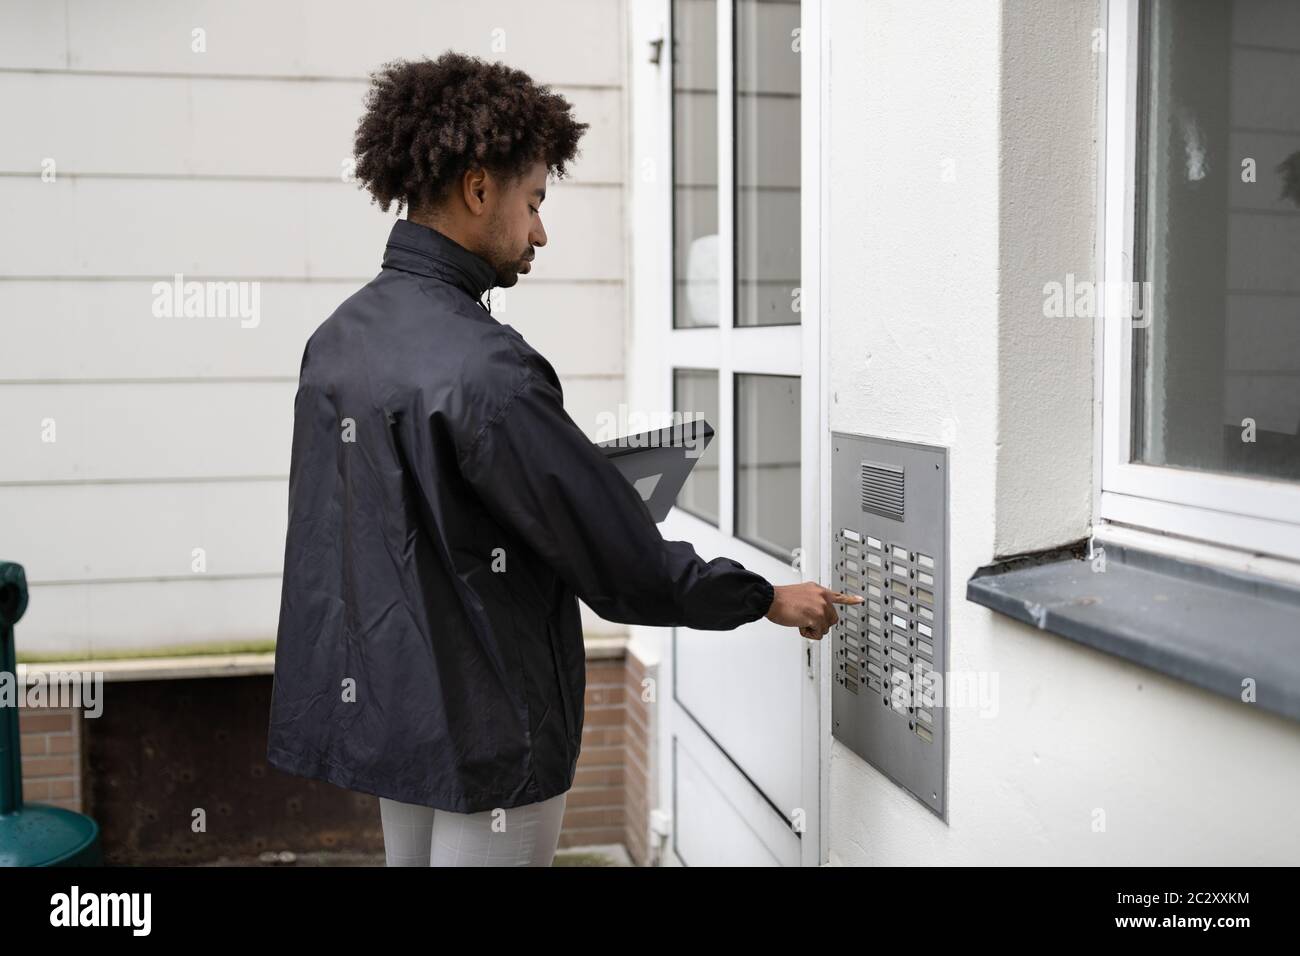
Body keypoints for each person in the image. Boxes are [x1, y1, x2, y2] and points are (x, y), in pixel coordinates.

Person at [265, 52, 862, 867]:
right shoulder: (488, 367)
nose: (542, 229)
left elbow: (390, 525)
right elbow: (618, 567)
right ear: (480, 188)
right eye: (536, 200)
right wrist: (763, 597)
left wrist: (574, 487)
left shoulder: (333, 342)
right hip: (486, 721)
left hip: (390, 709)